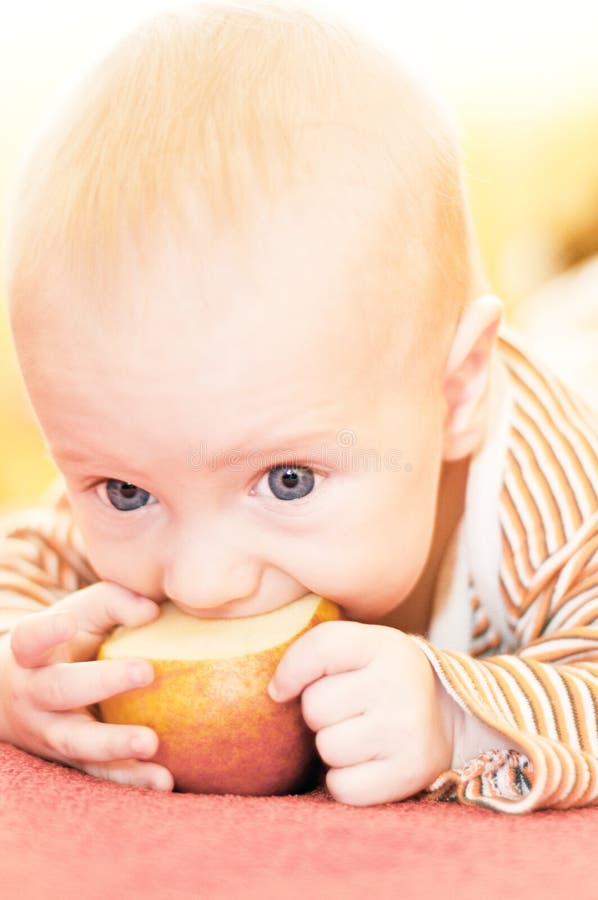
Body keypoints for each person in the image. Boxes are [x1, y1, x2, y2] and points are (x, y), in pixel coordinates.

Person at [1, 2, 596, 813]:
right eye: (126, 494)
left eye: (285, 481)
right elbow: (21, 565)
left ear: (453, 392)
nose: (202, 582)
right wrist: (18, 671)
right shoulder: (174, 441)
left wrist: (461, 719)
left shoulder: (550, 506)